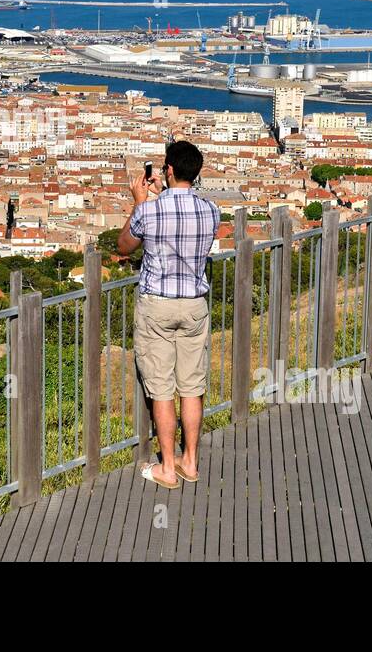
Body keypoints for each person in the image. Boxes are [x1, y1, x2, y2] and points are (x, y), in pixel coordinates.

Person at [116, 140, 218, 489]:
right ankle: (190, 461)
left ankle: (167, 468)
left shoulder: (149, 211)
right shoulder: (211, 210)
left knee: (161, 388)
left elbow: (124, 246)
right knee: (192, 386)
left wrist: (140, 201)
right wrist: (162, 196)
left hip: (157, 305)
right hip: (194, 304)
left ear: (168, 170)